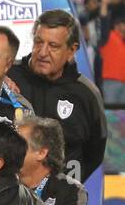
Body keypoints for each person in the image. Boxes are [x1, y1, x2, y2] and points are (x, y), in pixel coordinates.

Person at [9, 10, 108, 183]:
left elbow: (95, 151)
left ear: (72, 50)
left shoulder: (86, 93)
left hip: (61, 201)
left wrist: (65, 187)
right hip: (9, 197)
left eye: (53, 46)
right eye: (38, 42)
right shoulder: (9, 77)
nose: (42, 52)